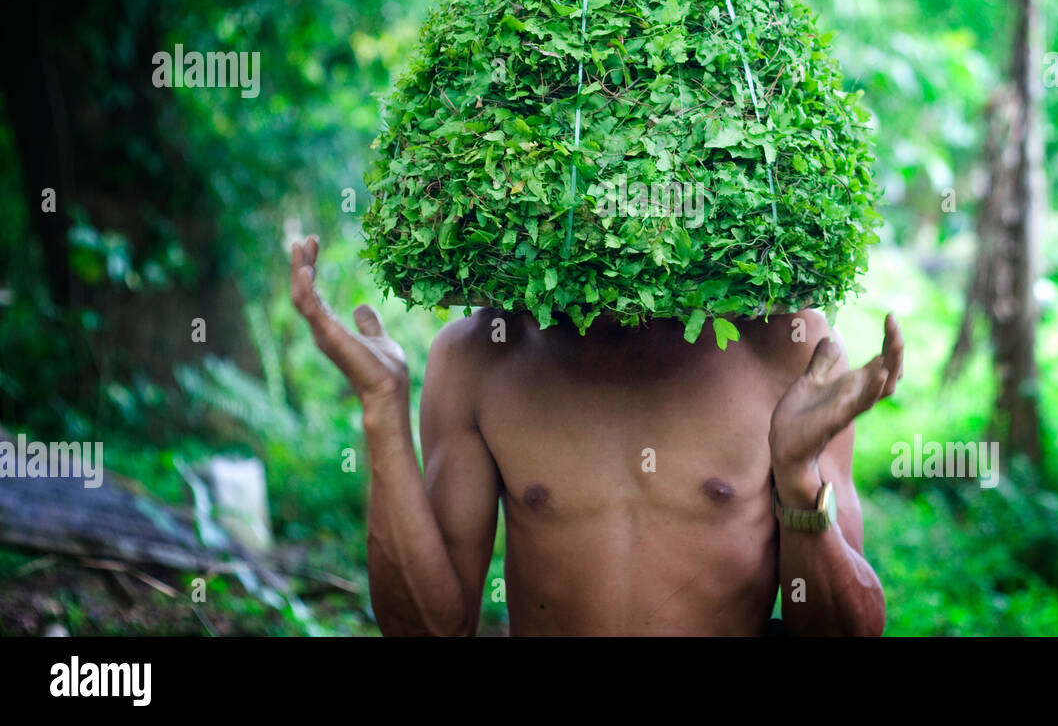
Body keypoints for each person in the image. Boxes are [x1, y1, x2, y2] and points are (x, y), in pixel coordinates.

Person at [290, 234, 903, 635]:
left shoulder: (784, 345)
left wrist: (799, 481)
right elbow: (431, 630)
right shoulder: (481, 355)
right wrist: (382, 414)